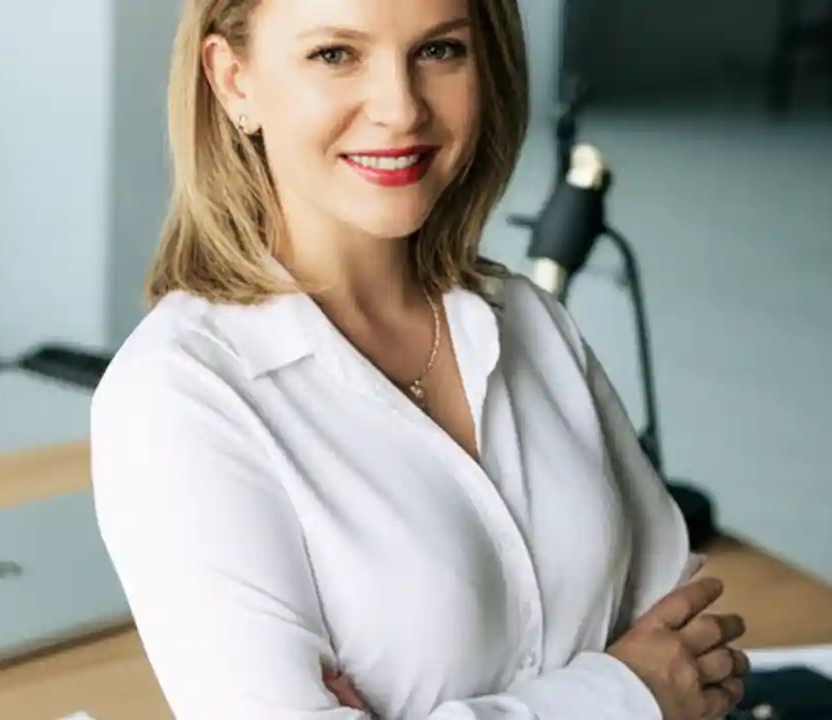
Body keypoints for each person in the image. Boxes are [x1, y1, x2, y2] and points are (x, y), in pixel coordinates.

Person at [89, 0, 751, 717]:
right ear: (234, 80)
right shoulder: (175, 397)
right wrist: (625, 694)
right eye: (336, 55)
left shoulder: (526, 320)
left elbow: (695, 660)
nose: (400, 110)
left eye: (439, 52)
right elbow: (662, 685)